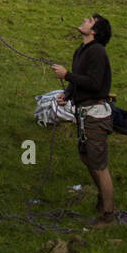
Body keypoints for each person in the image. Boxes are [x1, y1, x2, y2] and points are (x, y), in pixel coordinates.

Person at [51, 14, 116, 227]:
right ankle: (102, 200)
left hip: (95, 115)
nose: (84, 20)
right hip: (83, 113)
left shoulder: (97, 51)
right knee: (86, 157)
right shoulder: (81, 51)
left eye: (90, 20)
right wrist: (67, 94)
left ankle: (108, 216)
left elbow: (95, 84)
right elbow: (80, 79)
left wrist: (66, 75)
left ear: (94, 31)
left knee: (99, 165)